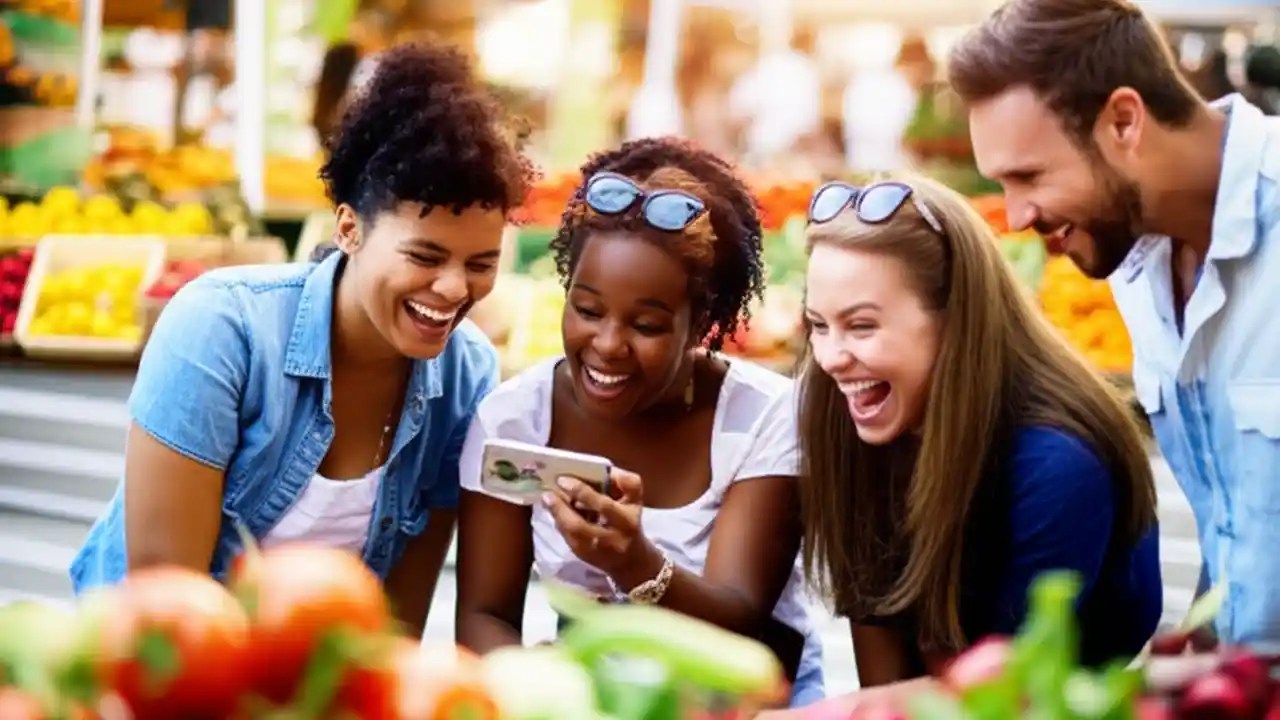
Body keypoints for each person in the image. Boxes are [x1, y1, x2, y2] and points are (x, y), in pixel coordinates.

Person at [70, 42, 535, 639]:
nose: (451, 288)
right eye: (426, 255)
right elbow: (167, 612)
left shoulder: (466, 375)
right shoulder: (222, 328)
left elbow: (394, 630)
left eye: (480, 263)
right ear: (349, 228)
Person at [948, 0, 1280, 648]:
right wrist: (1210, 641)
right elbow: (1241, 517)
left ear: (1124, 121)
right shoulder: (1136, 258)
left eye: (1029, 175)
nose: (1015, 216)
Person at [453, 137, 825, 707]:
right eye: (587, 309)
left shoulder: (765, 419)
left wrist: (634, 562)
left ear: (701, 322)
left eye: (646, 326)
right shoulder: (515, 421)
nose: (606, 345)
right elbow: (483, 614)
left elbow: (744, 619)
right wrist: (545, 695)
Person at [787, 176, 1160, 714]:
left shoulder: (1058, 462)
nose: (831, 356)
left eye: (862, 326)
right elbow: (877, 630)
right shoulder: (850, 414)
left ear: (954, 318)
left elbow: (999, 688)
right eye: (818, 325)